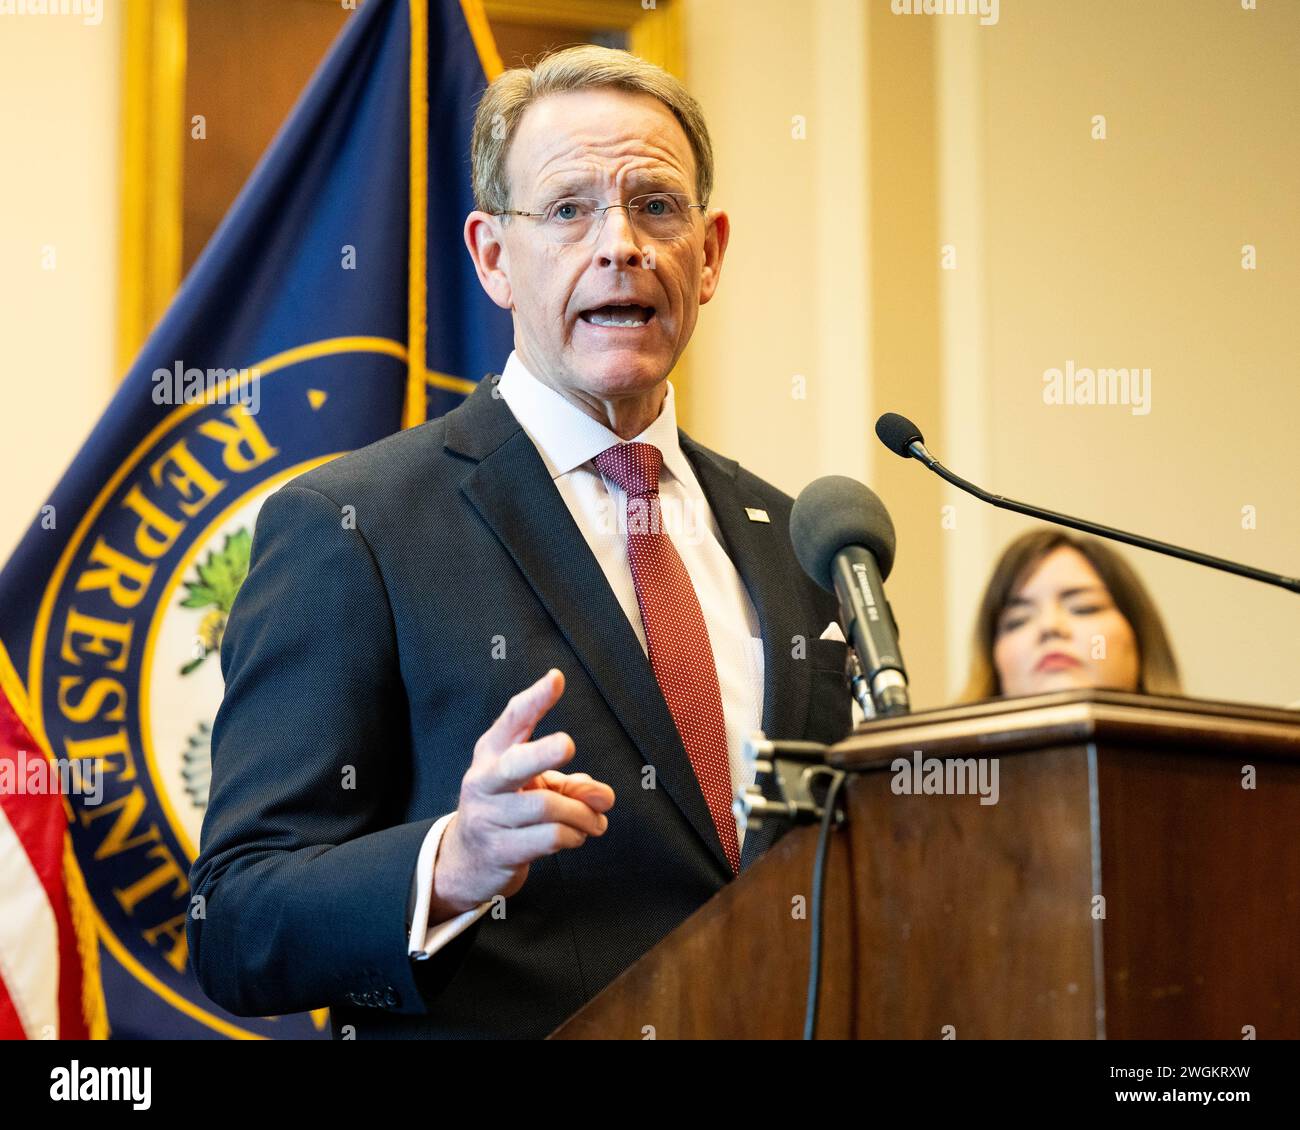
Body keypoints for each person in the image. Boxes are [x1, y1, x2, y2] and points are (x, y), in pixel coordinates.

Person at [186, 45, 853, 1039]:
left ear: (708, 254)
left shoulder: (801, 540)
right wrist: (452, 860)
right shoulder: (352, 525)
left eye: (656, 207)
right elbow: (236, 920)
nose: (619, 243)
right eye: (568, 208)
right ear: (493, 256)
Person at [960, 527, 1182, 701]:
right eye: (1018, 620)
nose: (1049, 626)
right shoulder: (937, 760)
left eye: (1084, 608)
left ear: (1140, 640)